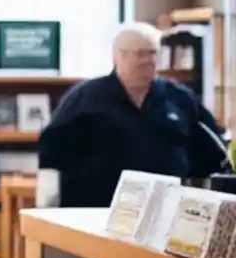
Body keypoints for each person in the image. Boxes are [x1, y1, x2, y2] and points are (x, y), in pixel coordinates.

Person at [38, 21, 228, 208]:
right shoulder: (85, 98)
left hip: (165, 211)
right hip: (97, 209)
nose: (147, 60)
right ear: (117, 57)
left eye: (152, 53)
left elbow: (211, 153)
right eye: (140, 54)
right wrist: (47, 201)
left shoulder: (180, 98)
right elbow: (52, 151)